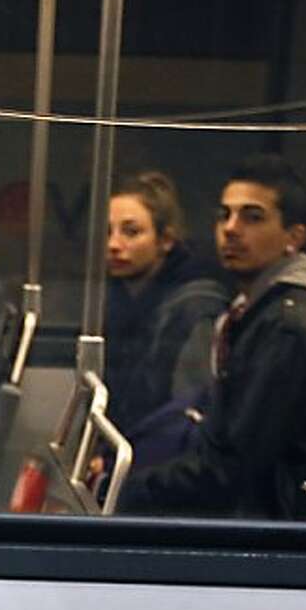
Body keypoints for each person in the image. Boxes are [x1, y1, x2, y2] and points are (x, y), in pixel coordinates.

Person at [117, 154, 306, 517]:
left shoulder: (288, 328)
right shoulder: (262, 308)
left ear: (293, 237)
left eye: (252, 217)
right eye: (224, 215)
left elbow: (232, 469)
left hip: (267, 518)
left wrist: (129, 487)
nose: (231, 229)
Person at [101, 171, 229, 429]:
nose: (114, 244)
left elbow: (188, 413)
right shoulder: (118, 299)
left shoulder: (194, 306)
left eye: (131, 232)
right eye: (107, 232)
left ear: (166, 240)